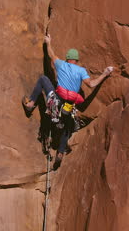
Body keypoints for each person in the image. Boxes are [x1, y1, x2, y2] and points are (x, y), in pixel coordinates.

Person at [22, 34, 113, 164]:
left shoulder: (61, 64)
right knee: (68, 126)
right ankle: (60, 152)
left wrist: (48, 42)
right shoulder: (81, 71)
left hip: (55, 101)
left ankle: (30, 104)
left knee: (43, 79)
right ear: (76, 60)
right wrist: (105, 73)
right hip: (68, 107)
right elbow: (92, 84)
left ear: (68, 58)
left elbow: (51, 55)